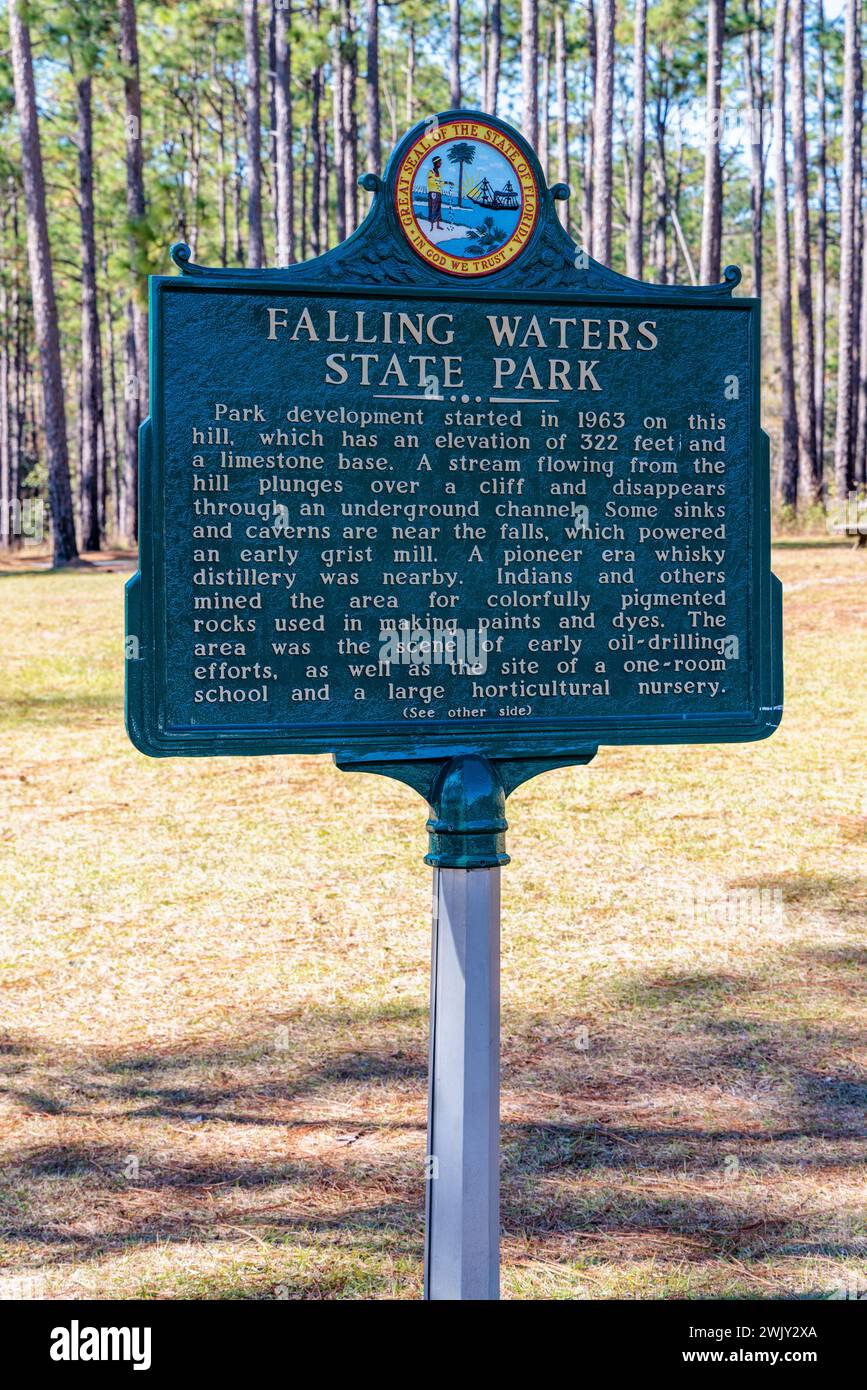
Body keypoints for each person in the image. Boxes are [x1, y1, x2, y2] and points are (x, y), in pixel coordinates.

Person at [427, 156, 445, 229]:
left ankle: (437, 225)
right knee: (433, 208)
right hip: (433, 192)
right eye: (439, 163)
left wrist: (447, 182)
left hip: (438, 193)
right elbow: (431, 181)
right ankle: (431, 226)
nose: (441, 164)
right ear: (436, 163)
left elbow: (441, 182)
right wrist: (438, 182)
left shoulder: (439, 173)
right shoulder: (431, 172)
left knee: (438, 208)